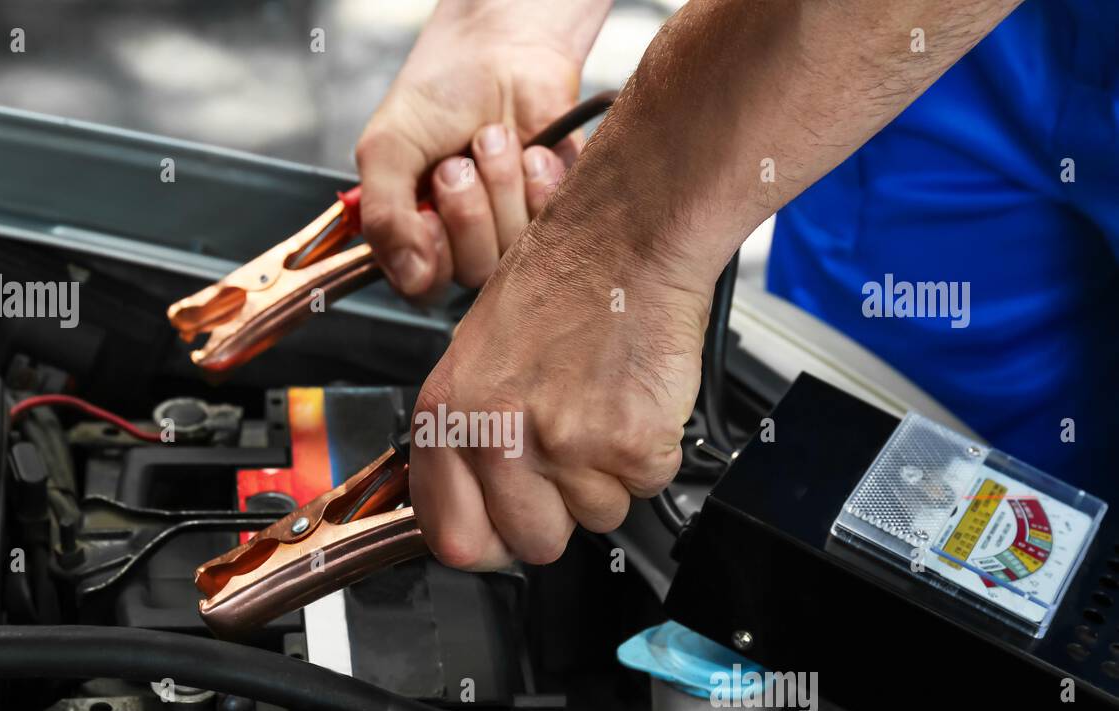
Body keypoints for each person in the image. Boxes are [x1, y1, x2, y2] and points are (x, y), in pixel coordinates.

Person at [355, 0, 1115, 571]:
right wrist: (512, 21)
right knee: (892, 507)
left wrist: (619, 242)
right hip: (914, 40)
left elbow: (622, 247)